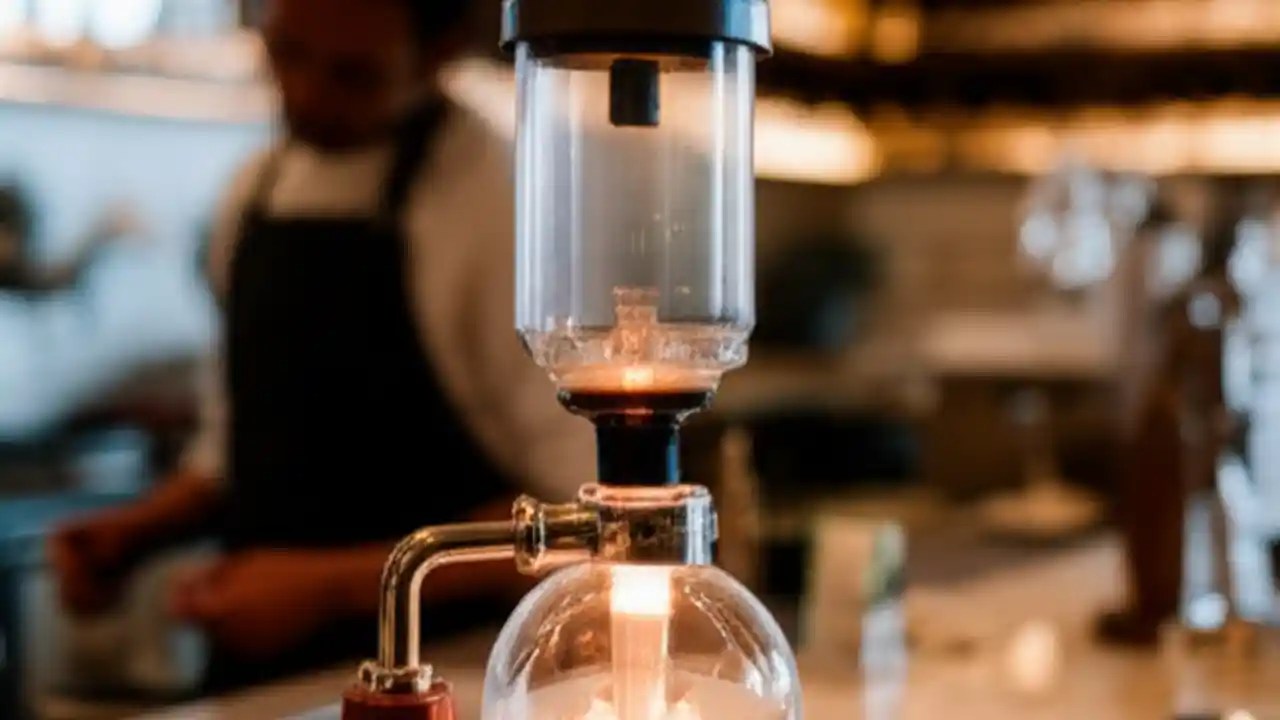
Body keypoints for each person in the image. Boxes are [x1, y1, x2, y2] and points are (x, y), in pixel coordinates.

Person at [50, 0, 594, 692]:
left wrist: (325, 590)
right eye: (286, 55)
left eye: (353, 75)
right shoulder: (255, 191)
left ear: (438, 53)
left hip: (439, 681)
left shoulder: (503, 204)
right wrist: (134, 534)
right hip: (256, 684)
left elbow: (575, 522)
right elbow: (232, 445)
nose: (305, 95)